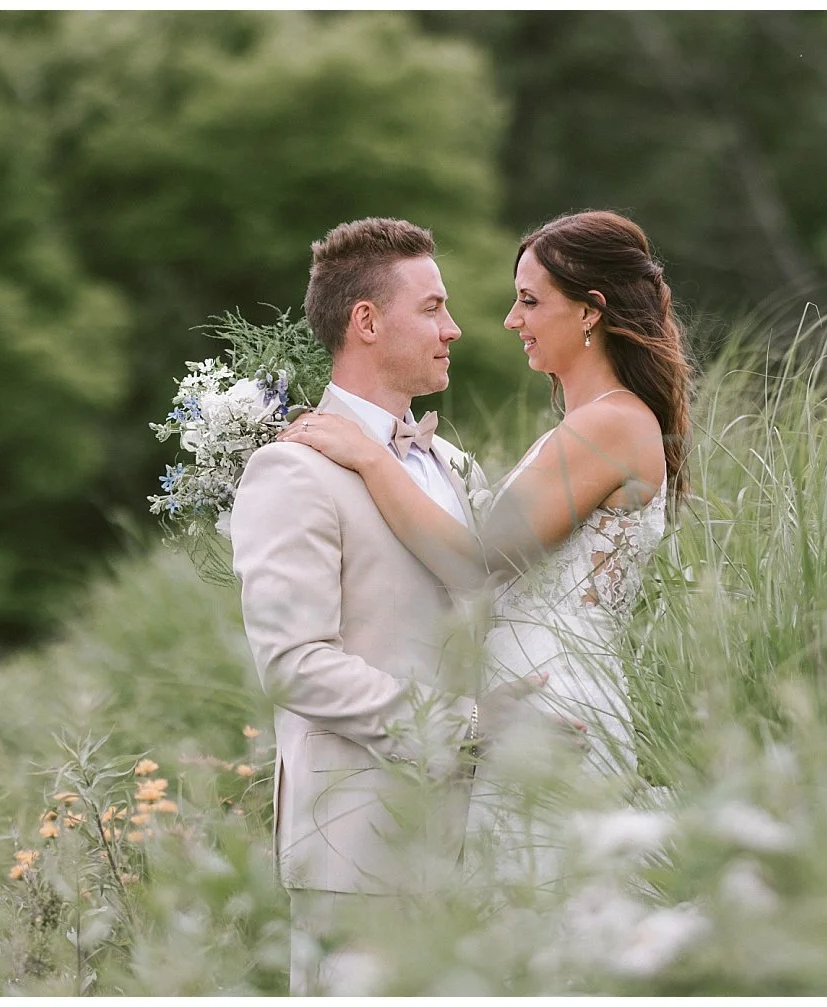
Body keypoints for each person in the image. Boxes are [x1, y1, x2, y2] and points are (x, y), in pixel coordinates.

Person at [281, 209, 694, 890]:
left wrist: (369, 456)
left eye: (530, 300)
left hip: (553, 704)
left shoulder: (612, 426)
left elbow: (475, 562)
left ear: (590, 311)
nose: (510, 319)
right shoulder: (590, 426)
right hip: (522, 704)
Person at [229, 217, 569, 995]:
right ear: (367, 321)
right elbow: (295, 664)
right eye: (433, 308)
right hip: (359, 849)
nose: (454, 329)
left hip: (474, 845)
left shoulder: (452, 462)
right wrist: (460, 727)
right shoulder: (292, 471)